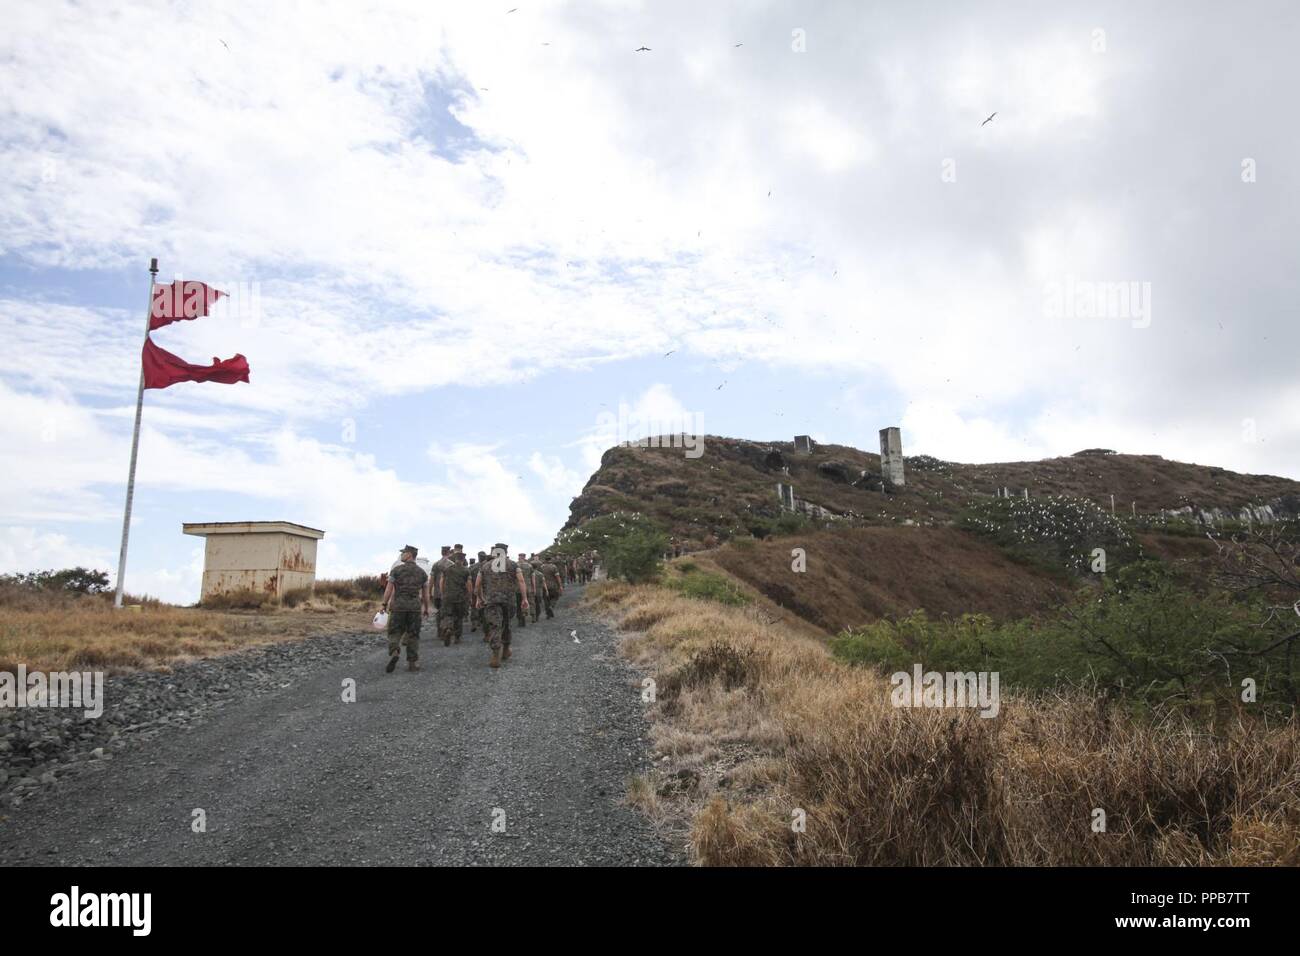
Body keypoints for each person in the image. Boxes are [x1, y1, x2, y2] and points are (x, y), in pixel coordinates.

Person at [476, 543, 528, 668]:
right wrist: (524, 598)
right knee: (506, 624)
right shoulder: (513, 565)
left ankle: (495, 654)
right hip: (508, 601)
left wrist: (479, 598)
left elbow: (477, 584)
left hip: (492, 601)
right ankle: (505, 649)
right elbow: (521, 581)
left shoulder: (485, 566)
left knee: (495, 626)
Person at [380, 545, 429, 673]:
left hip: (398, 607)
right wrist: (426, 608)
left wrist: (384, 604)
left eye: (403, 553)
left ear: (409, 555)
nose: (401, 555)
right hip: (414, 608)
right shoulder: (422, 573)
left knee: (394, 632)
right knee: (413, 635)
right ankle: (412, 664)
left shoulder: (396, 570)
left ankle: (395, 650)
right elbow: (425, 594)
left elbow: (389, 590)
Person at [437, 549, 469, 646]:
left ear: (455, 559)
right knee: (459, 617)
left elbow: (441, 582)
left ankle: (447, 628)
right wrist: (469, 596)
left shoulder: (447, 569)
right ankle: (457, 638)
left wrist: (443, 593)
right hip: (460, 597)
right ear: (463, 560)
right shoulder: (465, 571)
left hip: (448, 596)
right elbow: (469, 585)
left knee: (447, 615)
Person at [539, 554, 563, 619]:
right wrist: (560, 585)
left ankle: (548, 614)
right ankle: (551, 606)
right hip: (553, 585)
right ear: (550, 560)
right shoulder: (554, 567)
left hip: (544, 586)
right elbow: (557, 577)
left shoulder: (541, 567)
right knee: (555, 597)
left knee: (546, 600)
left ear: (545, 560)